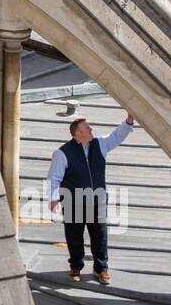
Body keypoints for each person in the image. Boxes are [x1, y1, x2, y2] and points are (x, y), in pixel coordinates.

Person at [47, 112, 135, 284]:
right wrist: (53, 198)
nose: (91, 129)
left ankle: (101, 269)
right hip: (74, 202)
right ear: (78, 133)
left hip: (97, 201)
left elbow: (116, 136)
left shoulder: (99, 145)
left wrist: (129, 121)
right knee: (74, 237)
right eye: (87, 128)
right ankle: (76, 266)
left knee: (100, 236)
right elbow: (54, 178)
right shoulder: (62, 153)